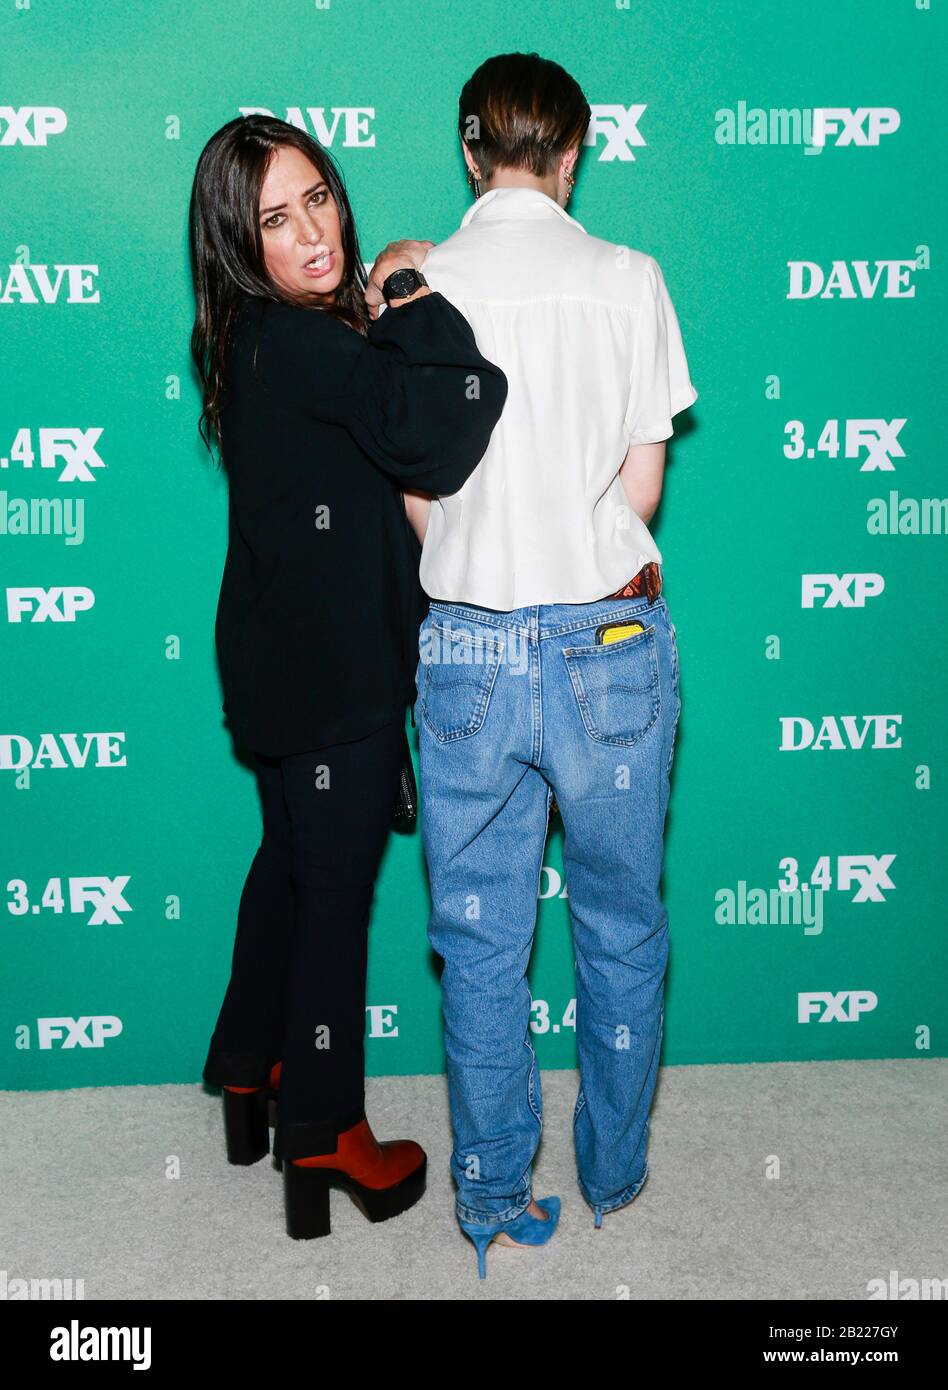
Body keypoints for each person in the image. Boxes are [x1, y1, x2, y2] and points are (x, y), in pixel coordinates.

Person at [403, 52, 698, 1277]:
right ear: (573, 152)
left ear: (472, 151)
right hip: (607, 645)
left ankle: (488, 1194)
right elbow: (641, 490)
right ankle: (614, 1174)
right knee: (621, 925)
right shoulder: (630, 281)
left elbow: (420, 502)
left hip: (468, 642)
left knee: (478, 939)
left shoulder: (417, 288)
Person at [188, 114, 507, 1239]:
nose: (315, 231)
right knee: (333, 904)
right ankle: (321, 1128)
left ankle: (246, 1061)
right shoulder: (315, 341)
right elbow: (451, 424)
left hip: (275, 658)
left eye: (318, 197)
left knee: (286, 865)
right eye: (276, 218)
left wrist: (368, 315)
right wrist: (413, 292)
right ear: (239, 241)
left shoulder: (253, 336)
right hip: (332, 674)